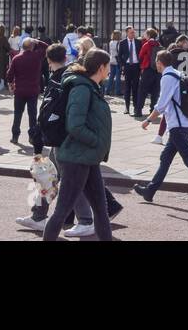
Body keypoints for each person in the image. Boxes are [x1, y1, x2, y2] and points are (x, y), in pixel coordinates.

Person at [42, 49, 115, 241]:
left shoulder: (91, 87)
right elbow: (75, 125)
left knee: (100, 209)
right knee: (62, 211)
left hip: (87, 157)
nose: (110, 69)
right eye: (108, 66)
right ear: (101, 67)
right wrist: (96, 141)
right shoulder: (82, 89)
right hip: (75, 158)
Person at [135, 49, 188, 209]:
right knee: (166, 158)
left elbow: (162, 104)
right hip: (184, 122)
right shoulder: (177, 73)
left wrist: (147, 120)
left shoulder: (167, 77)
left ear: (159, 63)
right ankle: (150, 191)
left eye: (156, 62)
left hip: (177, 126)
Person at [6, 36, 45, 146]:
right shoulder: (37, 56)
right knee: (32, 114)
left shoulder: (16, 58)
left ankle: (15, 135)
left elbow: (9, 75)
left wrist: (10, 83)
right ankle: (32, 136)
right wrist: (38, 41)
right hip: (33, 90)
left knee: (17, 114)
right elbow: (47, 48)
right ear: (32, 46)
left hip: (20, 90)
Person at [135, 28, 160, 118]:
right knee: (155, 92)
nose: (144, 35)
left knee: (142, 91)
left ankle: (138, 111)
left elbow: (140, 55)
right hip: (157, 70)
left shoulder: (147, 44)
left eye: (145, 33)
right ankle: (152, 111)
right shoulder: (158, 44)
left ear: (149, 35)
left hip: (148, 69)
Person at [117, 26, 142, 116]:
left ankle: (135, 107)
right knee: (127, 88)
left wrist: (141, 65)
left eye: (134, 32)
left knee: (135, 87)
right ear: (127, 33)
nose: (133, 34)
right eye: (131, 32)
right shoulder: (122, 43)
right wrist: (122, 66)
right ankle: (127, 107)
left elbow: (141, 55)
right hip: (127, 66)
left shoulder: (138, 42)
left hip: (136, 66)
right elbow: (119, 56)